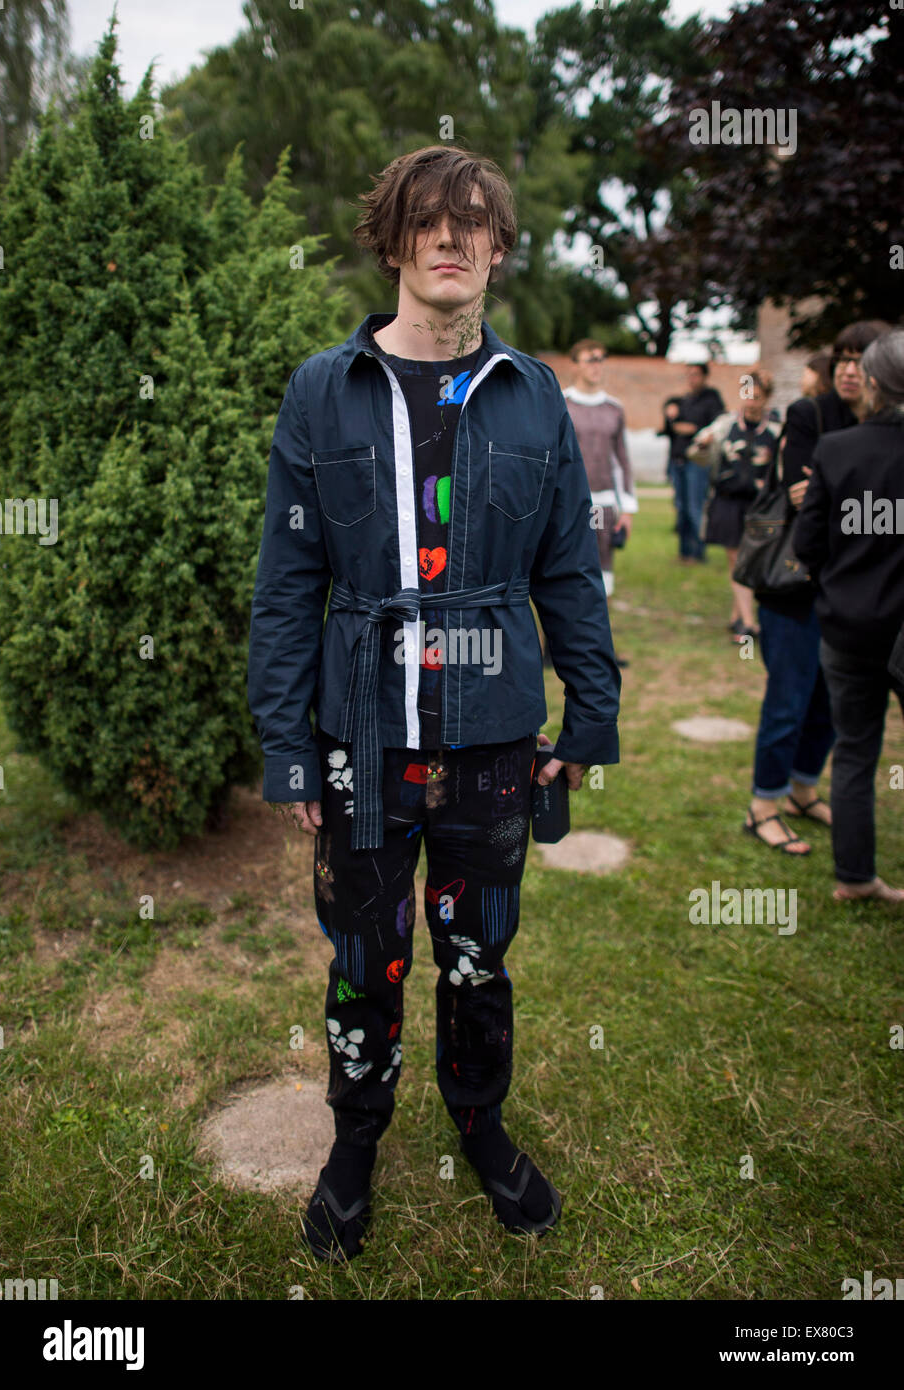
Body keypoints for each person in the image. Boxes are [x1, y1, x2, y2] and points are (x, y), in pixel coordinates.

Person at [247, 144, 621, 1261]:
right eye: (428, 220)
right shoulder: (324, 389)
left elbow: (568, 569)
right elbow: (286, 582)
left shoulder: (532, 395)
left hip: (494, 731)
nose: (449, 239)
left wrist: (590, 717)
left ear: (498, 249)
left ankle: (481, 1124)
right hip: (361, 730)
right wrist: (287, 747)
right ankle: (354, 1139)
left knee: (477, 953)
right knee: (365, 955)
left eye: (471, 222)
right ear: (394, 239)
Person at [744, 320, 889, 853]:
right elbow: (801, 494)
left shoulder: (881, 426)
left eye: (861, 359)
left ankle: (804, 788)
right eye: (842, 358)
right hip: (796, 586)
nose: (849, 369)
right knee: (789, 696)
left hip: (848, 591)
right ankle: (764, 805)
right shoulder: (810, 414)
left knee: (830, 703)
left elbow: (827, 498)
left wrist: (834, 495)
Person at [793, 329, 904, 904]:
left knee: (857, 751)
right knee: (858, 749)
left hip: (848, 624)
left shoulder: (837, 451)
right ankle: (858, 878)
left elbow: (807, 544)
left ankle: (855, 877)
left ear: (877, 383)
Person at [562, 339, 637, 667]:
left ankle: (599, 648)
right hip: (569, 504)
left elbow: (622, 459)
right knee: (564, 572)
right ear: (575, 363)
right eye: (590, 358)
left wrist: (628, 509)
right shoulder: (560, 403)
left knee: (601, 575)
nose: (596, 364)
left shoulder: (614, 408)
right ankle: (556, 646)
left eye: (601, 358)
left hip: (603, 505)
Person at [694, 370, 780, 643]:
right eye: (748, 396)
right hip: (728, 502)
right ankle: (748, 623)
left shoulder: (776, 430)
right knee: (737, 559)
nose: (751, 402)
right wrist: (703, 444)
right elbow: (697, 454)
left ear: (767, 398)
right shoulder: (725, 425)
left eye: (757, 397)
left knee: (750, 560)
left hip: (759, 505)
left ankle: (736, 617)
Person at [663, 363, 725, 563]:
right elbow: (669, 426)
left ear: (705, 377)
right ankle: (684, 552)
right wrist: (669, 411)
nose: (692, 378)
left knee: (695, 507)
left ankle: (698, 553)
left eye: (696, 375)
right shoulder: (684, 401)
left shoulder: (711, 400)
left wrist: (696, 430)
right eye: (689, 375)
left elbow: (718, 426)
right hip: (678, 460)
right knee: (681, 508)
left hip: (697, 461)